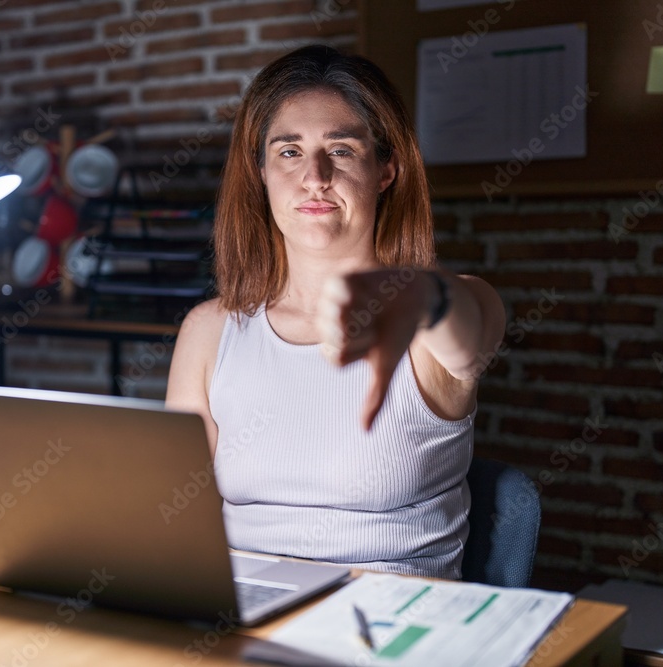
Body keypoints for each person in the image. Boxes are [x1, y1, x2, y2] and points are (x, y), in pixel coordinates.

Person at [166, 45, 505, 579]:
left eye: (342, 149)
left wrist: (423, 296)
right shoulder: (209, 332)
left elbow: (470, 322)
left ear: (386, 168)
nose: (315, 176)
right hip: (239, 620)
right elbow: (176, 513)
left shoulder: (440, 312)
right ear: (260, 172)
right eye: (289, 152)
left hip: (394, 630)